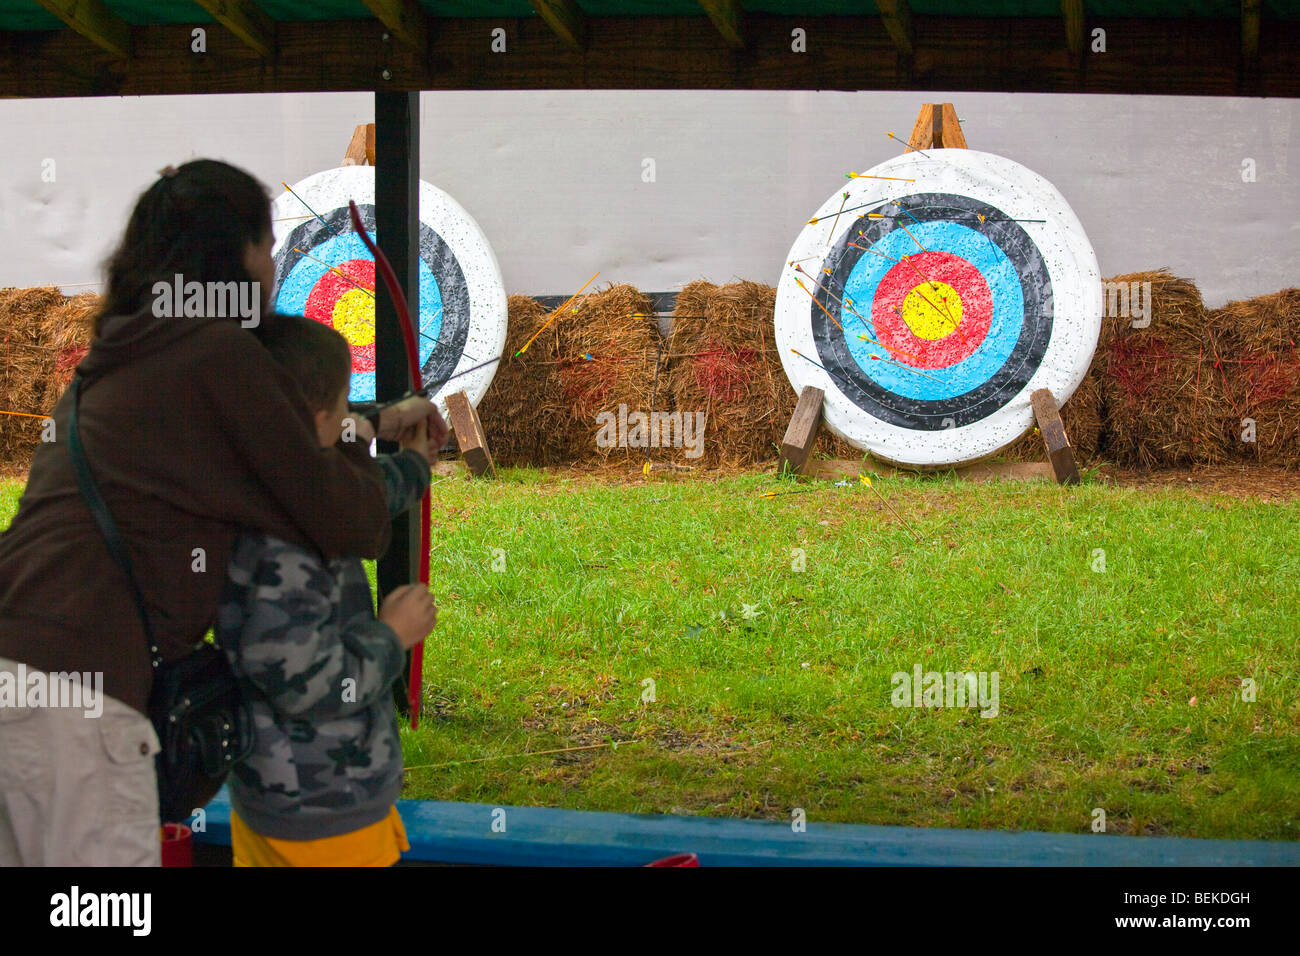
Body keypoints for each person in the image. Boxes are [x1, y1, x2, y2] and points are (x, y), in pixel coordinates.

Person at [0, 159, 446, 866]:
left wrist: (379, 423)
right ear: (234, 255)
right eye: (267, 246)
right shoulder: (216, 353)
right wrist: (416, 464)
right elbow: (342, 512)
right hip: (84, 700)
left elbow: (283, 433)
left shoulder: (131, 349)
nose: (272, 266)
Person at [219, 316, 435, 867]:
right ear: (316, 423)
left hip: (280, 803)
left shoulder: (249, 480)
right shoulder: (286, 544)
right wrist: (392, 635)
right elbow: (310, 684)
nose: (349, 419)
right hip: (322, 812)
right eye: (343, 406)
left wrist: (387, 425)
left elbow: (332, 461)